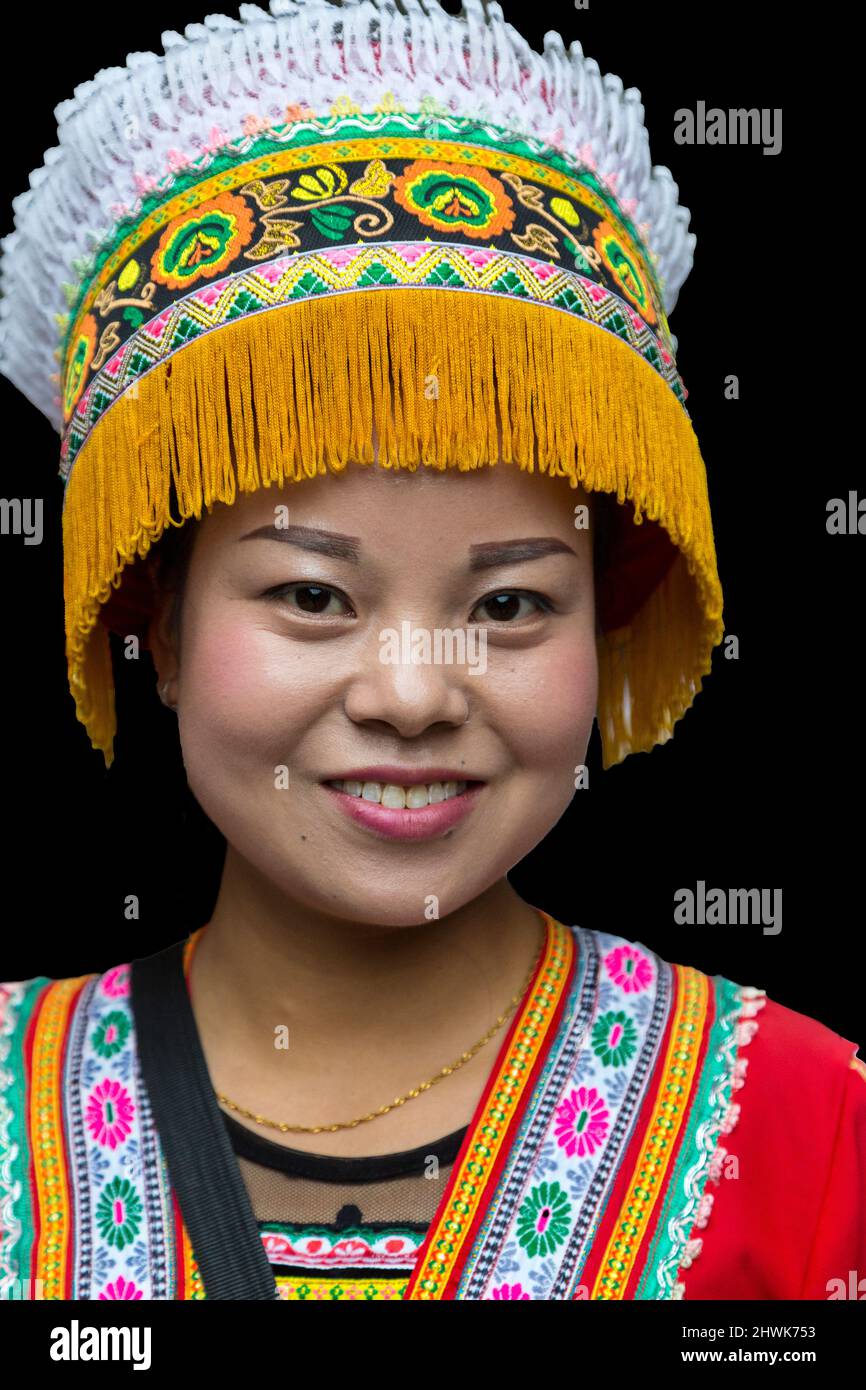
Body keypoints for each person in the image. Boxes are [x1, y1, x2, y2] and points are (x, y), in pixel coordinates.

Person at [0, 0, 863, 1302]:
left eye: (508, 607)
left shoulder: (809, 1118)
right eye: (310, 594)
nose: (411, 692)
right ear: (159, 626)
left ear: (603, 612)